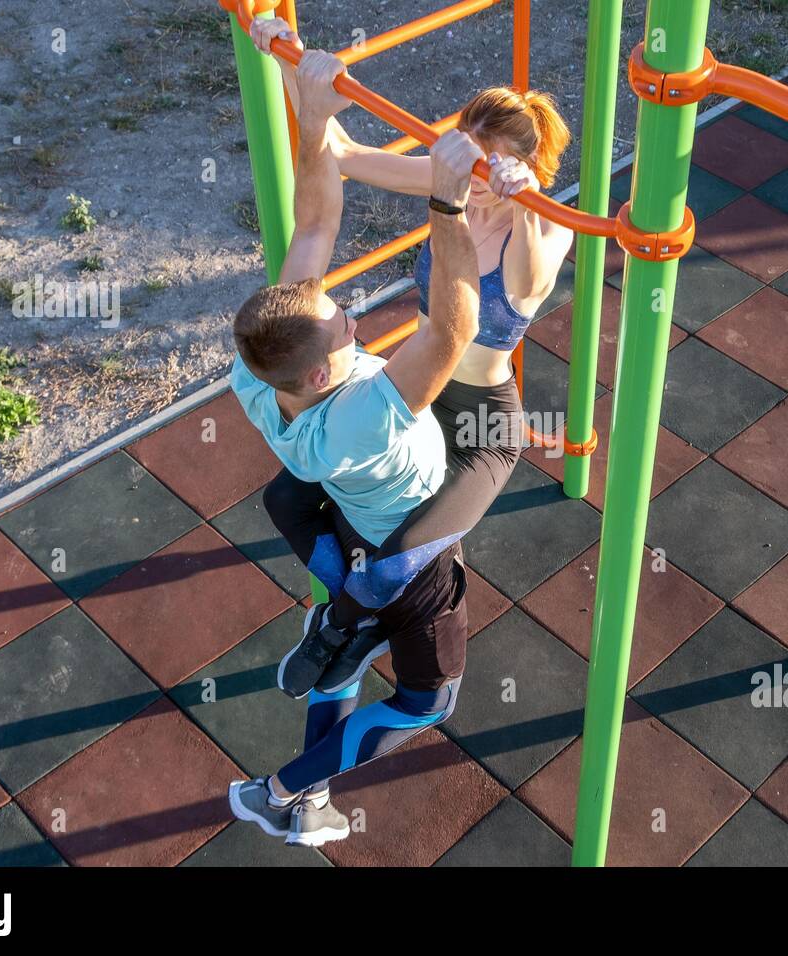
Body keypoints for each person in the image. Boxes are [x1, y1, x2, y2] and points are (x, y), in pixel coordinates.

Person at [245, 16, 575, 696]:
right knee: (285, 497)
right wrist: (293, 69)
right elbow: (341, 152)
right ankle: (357, 616)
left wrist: (523, 192)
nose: (465, 171)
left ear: (518, 168)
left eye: (484, 163)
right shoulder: (453, 176)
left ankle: (347, 623)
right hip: (416, 392)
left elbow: (537, 268)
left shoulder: (538, 231)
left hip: (480, 423)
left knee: (399, 559)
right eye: (464, 150)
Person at [226, 43, 485, 847]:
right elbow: (452, 328)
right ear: (309, 378)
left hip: (347, 520)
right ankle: (280, 792)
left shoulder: (255, 366)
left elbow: (315, 219)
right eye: (345, 333)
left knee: (344, 646)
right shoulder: (362, 415)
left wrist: (313, 120)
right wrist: (448, 205)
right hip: (410, 553)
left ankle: (340, 623)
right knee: (427, 700)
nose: (357, 324)